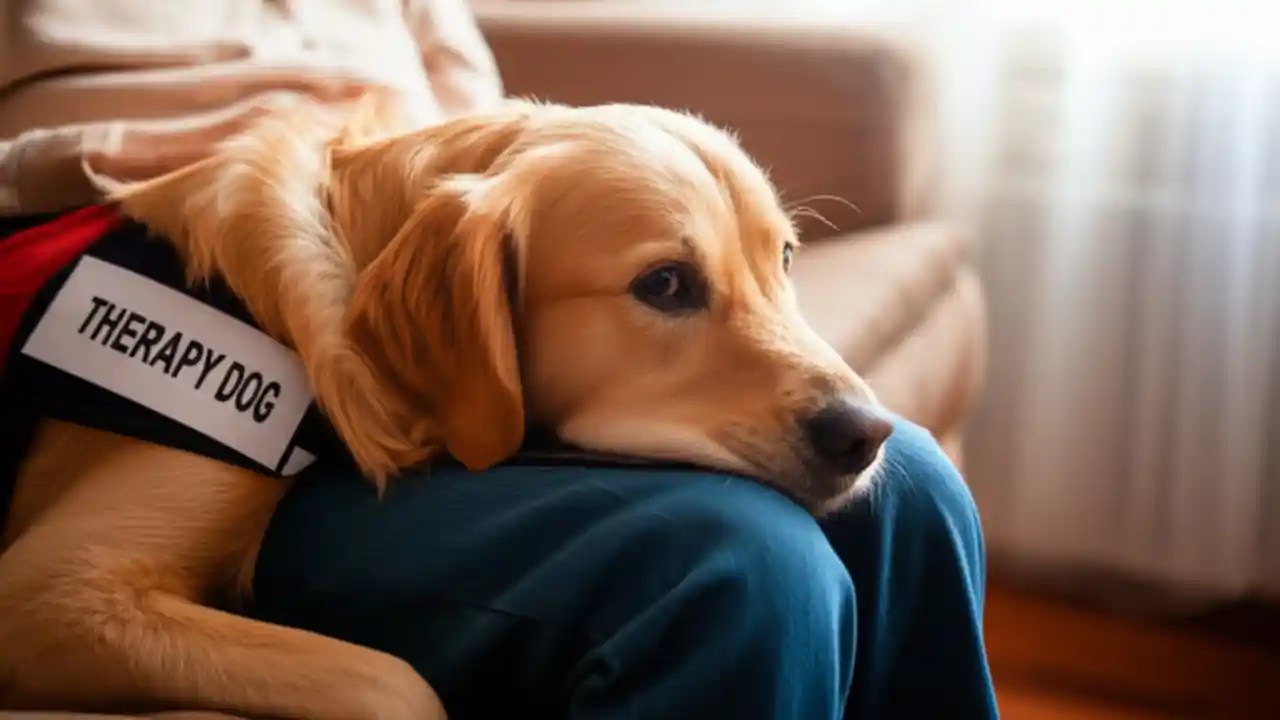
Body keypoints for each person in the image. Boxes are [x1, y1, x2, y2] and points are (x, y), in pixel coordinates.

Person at [0, 1, 997, 718]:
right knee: (745, 574)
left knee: (908, 489)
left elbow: (477, 118)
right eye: (666, 287)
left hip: (402, 179)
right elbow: (45, 613)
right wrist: (374, 695)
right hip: (156, 216)